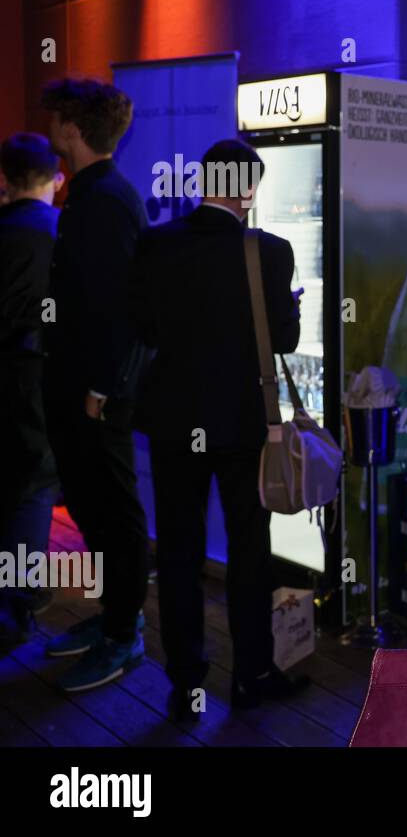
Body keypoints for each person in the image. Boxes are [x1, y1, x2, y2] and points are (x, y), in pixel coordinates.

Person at [129, 139, 307, 722]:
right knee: (248, 549)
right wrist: (294, 305)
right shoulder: (270, 252)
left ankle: (186, 685)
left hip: (174, 421)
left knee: (178, 552)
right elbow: (282, 342)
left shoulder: (156, 244)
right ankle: (253, 674)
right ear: (249, 189)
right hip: (241, 424)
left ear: (203, 181)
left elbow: (145, 330)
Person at [39, 78, 150, 691]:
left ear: (73, 131)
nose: (50, 129)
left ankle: (123, 634)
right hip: (84, 386)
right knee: (92, 505)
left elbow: (115, 307)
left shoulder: (103, 199)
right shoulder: (91, 193)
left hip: (96, 392)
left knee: (112, 509)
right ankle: (113, 618)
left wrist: (101, 390)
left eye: (56, 120)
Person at [0, 134, 63, 647]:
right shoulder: (58, 232)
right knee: (32, 491)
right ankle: (17, 602)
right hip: (35, 379)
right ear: (54, 177)